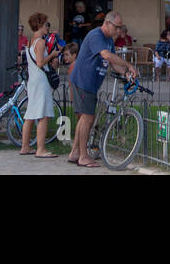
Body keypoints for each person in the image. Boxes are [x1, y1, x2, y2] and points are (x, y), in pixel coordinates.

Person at [67, 11, 135, 169]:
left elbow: (113, 63)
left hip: (90, 83)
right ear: (107, 23)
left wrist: (125, 73)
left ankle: (75, 152)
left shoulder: (109, 41)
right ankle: (83, 156)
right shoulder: (96, 35)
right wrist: (129, 65)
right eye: (117, 27)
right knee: (87, 119)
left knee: (84, 118)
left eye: (120, 28)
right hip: (84, 81)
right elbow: (107, 56)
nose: (119, 31)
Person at [19, 13, 61, 158]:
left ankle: (25, 146)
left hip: (33, 80)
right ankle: (41, 149)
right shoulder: (41, 42)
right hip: (41, 80)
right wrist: (52, 55)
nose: (47, 28)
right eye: (45, 25)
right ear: (40, 25)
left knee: (30, 114)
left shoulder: (31, 41)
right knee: (43, 115)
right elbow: (40, 63)